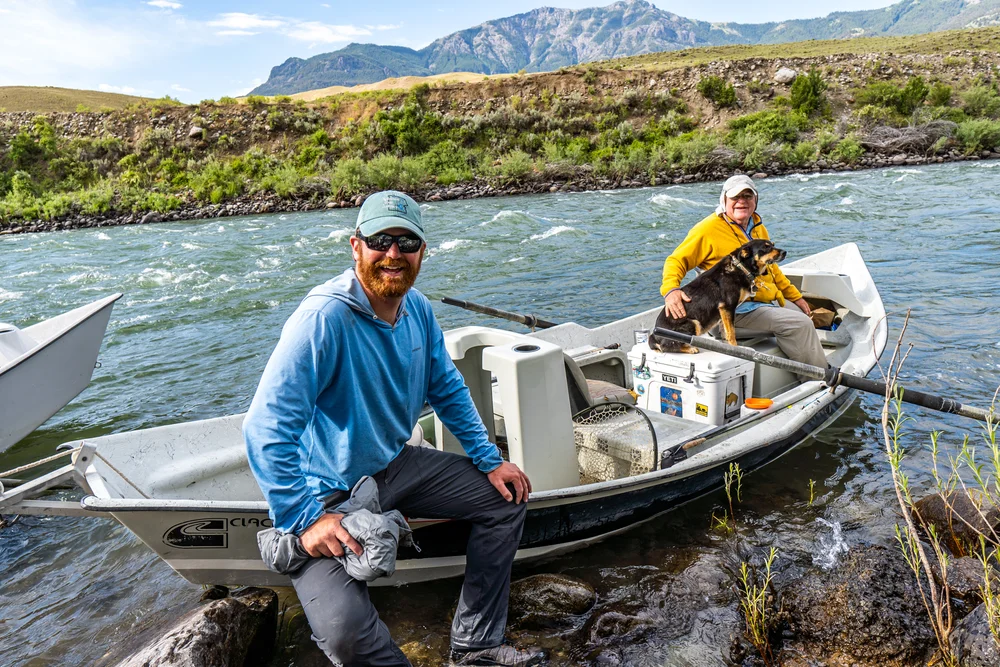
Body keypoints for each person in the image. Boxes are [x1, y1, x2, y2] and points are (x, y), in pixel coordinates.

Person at [243, 190, 545, 667]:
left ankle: (476, 646)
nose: (393, 254)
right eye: (381, 240)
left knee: (507, 498)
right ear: (356, 246)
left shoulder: (418, 310)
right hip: (327, 493)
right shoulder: (323, 320)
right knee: (344, 635)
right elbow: (264, 429)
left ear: (423, 252)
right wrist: (305, 519)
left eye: (407, 243)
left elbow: (446, 387)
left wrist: (490, 460)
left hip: (394, 464)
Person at [660, 174, 827, 371]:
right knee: (800, 324)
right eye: (735, 197)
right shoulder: (707, 230)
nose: (742, 202)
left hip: (762, 301)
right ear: (724, 200)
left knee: (804, 313)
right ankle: (817, 377)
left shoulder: (756, 226)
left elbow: (772, 268)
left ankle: (796, 365)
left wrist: (795, 297)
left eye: (748, 196)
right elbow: (676, 260)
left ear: (755, 200)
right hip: (733, 311)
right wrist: (671, 290)